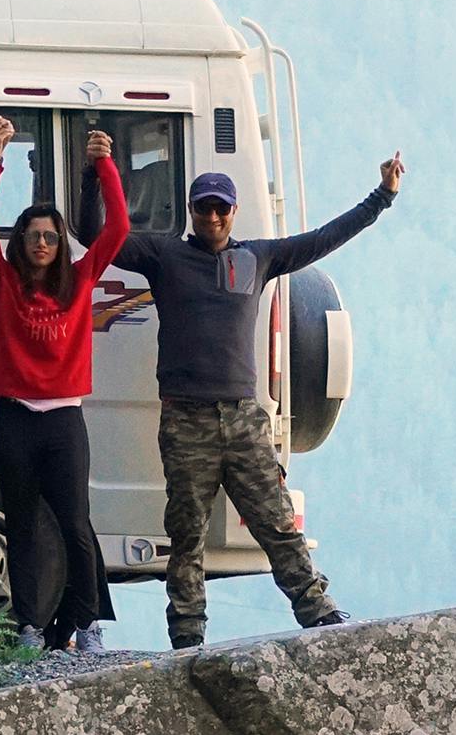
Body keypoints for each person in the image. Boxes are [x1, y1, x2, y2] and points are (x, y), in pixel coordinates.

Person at [117, 153, 404, 647]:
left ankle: (318, 613)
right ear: (190, 210)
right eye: (204, 209)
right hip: (186, 418)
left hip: (244, 419)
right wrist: (92, 172)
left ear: (234, 210)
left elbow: (324, 239)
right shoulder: (164, 257)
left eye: (221, 209)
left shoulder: (258, 257)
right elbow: (103, 237)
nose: (212, 217)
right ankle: (187, 636)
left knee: (276, 521)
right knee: (187, 532)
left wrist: (382, 197)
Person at [0, 117, 129, 649]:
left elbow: (118, 229)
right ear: (22, 242)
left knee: (75, 525)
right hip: (15, 418)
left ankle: (86, 624)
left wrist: (103, 164)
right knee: (23, 526)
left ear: (61, 244)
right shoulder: (4, 280)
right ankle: (30, 626)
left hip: (63, 419)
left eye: (50, 236)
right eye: (34, 235)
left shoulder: (80, 280)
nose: (41, 243)